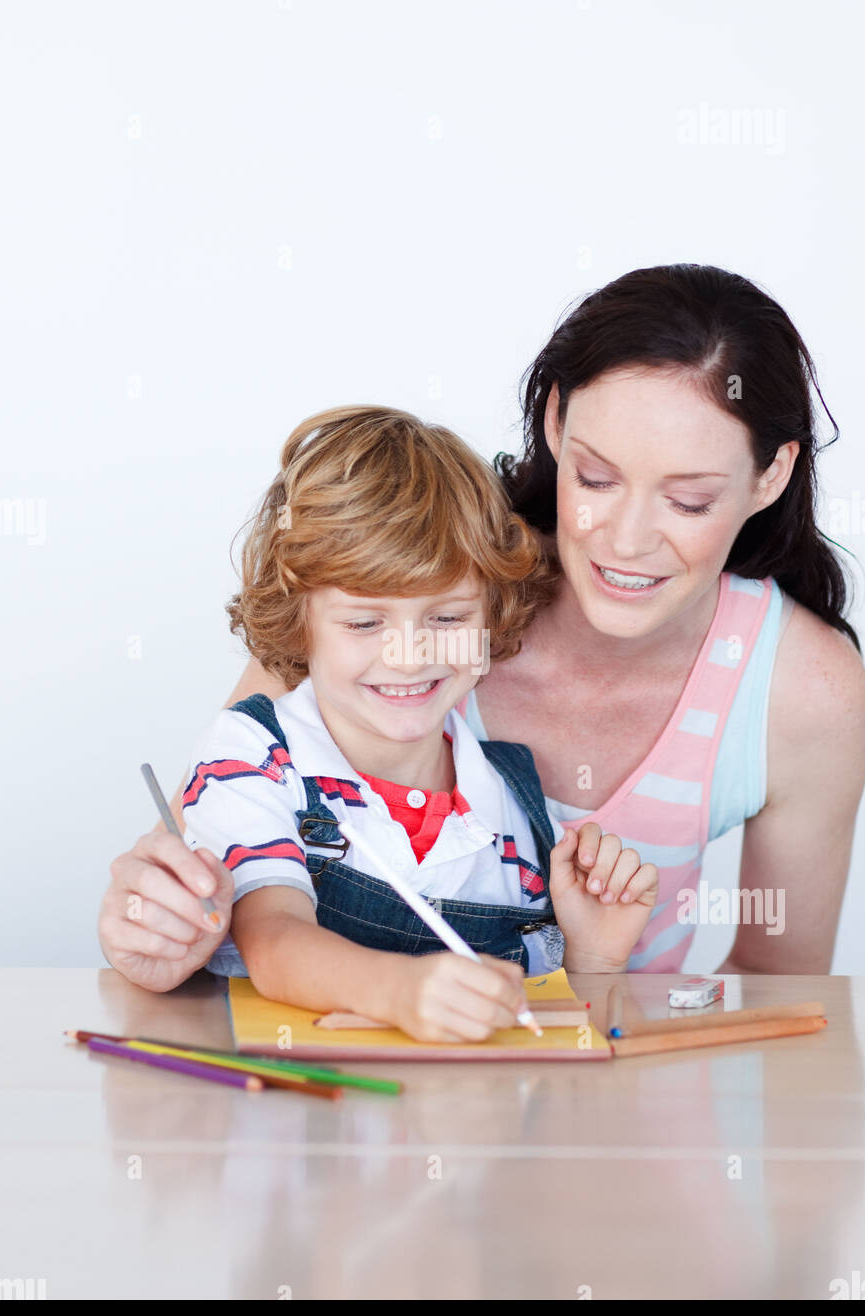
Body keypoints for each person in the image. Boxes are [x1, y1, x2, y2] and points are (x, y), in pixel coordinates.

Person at [99, 264, 865, 978]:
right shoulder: (415, 577)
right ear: (556, 423)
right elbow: (212, 866)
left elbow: (781, 997)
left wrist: (609, 1023)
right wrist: (158, 916)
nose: (628, 540)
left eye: (688, 500)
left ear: (772, 474)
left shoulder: (803, 690)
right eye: (596, 478)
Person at [100, 404, 659, 1041]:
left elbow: (547, 1036)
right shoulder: (255, 757)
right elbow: (276, 941)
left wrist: (594, 959)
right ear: (299, 619)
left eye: (446, 619)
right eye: (365, 623)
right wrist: (401, 991)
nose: (409, 655)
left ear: (493, 615)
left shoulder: (515, 811)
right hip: (304, 1122)